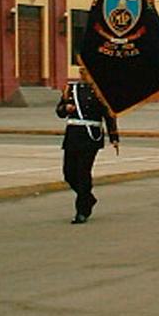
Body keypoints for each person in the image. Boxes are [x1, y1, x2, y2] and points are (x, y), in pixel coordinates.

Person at [56, 65, 119, 224]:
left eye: (86, 71)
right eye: (81, 71)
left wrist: (114, 137)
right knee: (69, 172)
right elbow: (59, 111)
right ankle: (88, 198)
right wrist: (66, 108)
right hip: (72, 136)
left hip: (91, 136)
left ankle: (82, 210)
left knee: (83, 172)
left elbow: (109, 115)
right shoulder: (71, 89)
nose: (83, 74)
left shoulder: (101, 91)